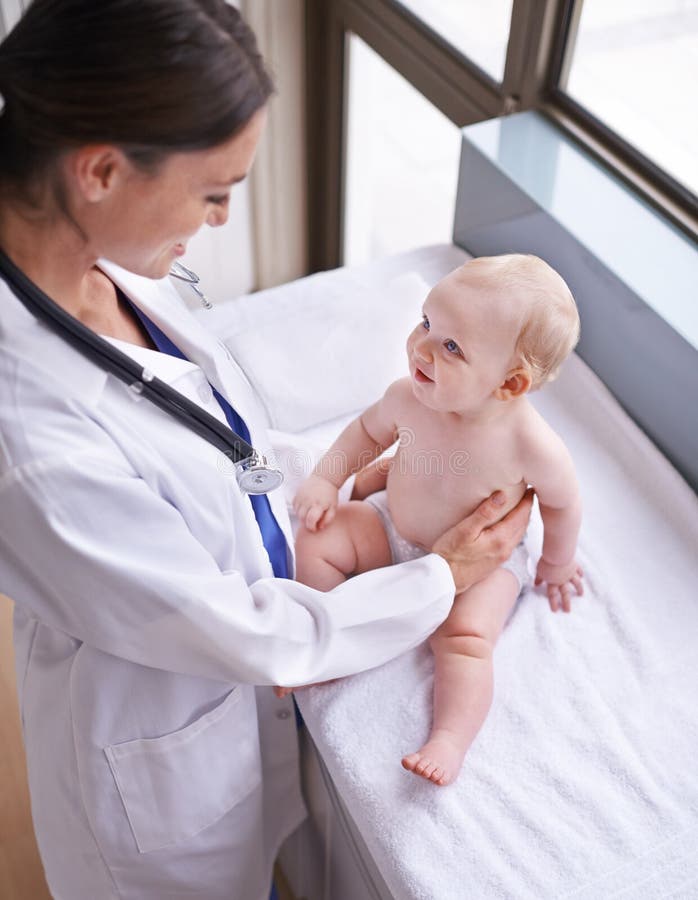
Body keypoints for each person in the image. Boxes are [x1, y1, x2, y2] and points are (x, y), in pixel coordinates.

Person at [0, 2, 533, 898]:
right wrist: (438, 575)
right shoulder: (31, 443)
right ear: (99, 170)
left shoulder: (91, 267)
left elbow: (209, 439)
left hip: (225, 686)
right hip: (153, 772)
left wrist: (329, 474)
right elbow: (238, 632)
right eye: (215, 194)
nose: (217, 222)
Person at [289, 255, 584, 786]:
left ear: (510, 385)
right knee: (321, 537)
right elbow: (366, 434)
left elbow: (563, 502)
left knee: (466, 640)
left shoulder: (530, 444)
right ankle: (327, 637)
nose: (422, 347)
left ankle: (449, 739)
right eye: (427, 323)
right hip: (395, 526)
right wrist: (325, 481)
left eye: (452, 347)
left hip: (483, 563)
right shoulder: (409, 397)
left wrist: (557, 561)